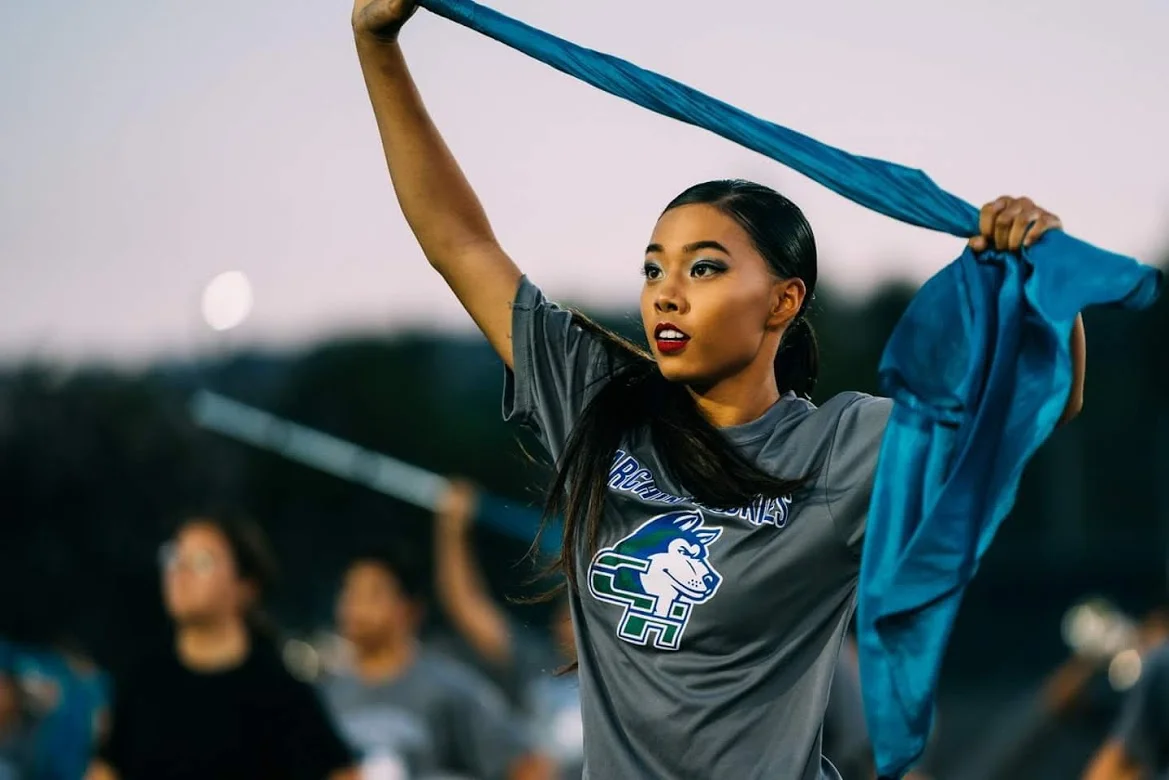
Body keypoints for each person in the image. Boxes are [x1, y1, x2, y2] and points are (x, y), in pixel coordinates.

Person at [349, 1, 1087, 776]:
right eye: (652, 268)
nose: (666, 293)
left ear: (782, 301)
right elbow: (459, 242)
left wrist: (1045, 280)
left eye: (703, 268)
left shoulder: (843, 446)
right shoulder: (600, 401)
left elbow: (1049, 396)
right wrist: (377, 43)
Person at [85, 512, 357, 780]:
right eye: (174, 556)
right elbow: (105, 769)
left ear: (245, 586)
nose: (180, 571)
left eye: (202, 561)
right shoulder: (143, 680)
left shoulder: (279, 693)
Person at [319, 547, 552, 780]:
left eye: (372, 594)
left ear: (409, 609)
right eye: (348, 591)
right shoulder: (325, 696)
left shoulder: (449, 686)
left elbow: (528, 764)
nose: (354, 606)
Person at [434, 480, 582, 779]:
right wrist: (452, 529)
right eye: (566, 605)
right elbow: (466, 605)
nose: (570, 616)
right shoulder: (535, 660)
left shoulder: (627, 678)